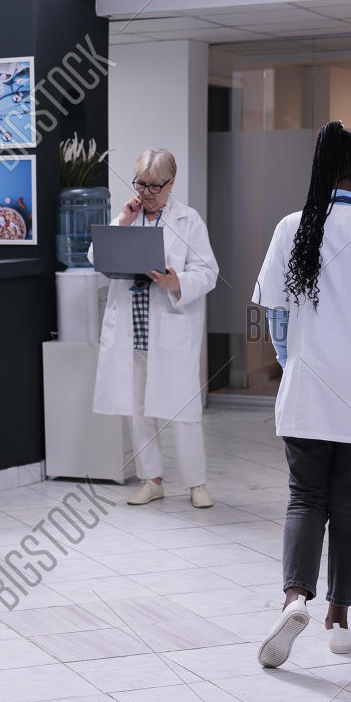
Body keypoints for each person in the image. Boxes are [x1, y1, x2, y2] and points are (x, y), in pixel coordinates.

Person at [252, 122, 351, 669]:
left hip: (307, 386)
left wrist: (292, 358)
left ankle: (294, 599)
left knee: (305, 498)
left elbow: (275, 312)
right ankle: (339, 621)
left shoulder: (291, 228)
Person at [92, 148, 219, 508]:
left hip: (171, 328)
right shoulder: (129, 216)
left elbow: (208, 272)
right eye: (140, 184)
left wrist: (177, 282)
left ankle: (196, 483)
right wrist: (123, 220)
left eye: (153, 186)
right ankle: (152, 479)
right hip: (132, 330)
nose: (145, 192)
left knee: (183, 409)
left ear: (171, 184)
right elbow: (95, 256)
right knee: (138, 408)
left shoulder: (188, 220)